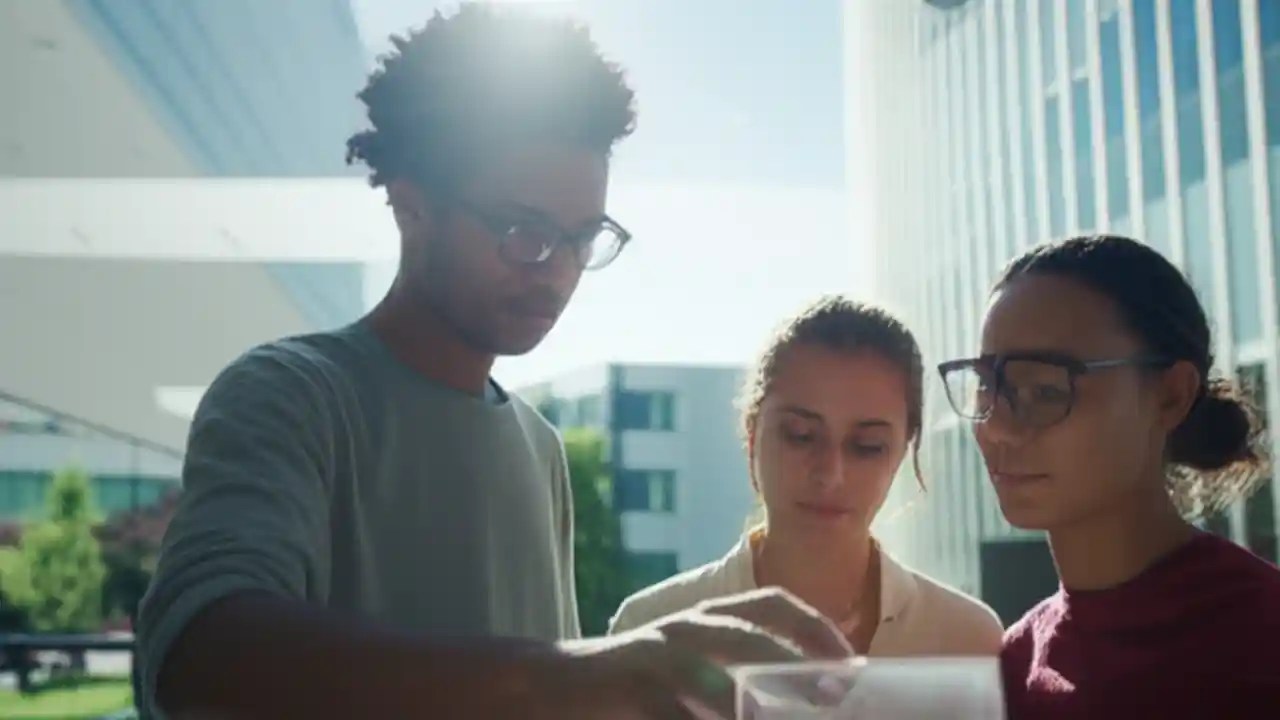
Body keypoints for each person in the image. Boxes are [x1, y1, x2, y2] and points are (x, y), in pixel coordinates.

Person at [135, 6, 852, 719]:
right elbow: (199, 655)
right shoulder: (291, 396)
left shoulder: (539, 446)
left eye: (582, 236)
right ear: (412, 209)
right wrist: (567, 676)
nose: (559, 271)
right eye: (523, 231)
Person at [938, 235, 1280, 719]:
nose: (996, 427)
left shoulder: (1263, 639)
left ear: (1171, 397)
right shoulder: (1012, 668)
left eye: (1045, 388)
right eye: (986, 384)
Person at [610, 296, 1003, 657]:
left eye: (867, 446)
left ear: (903, 451)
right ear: (751, 435)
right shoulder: (655, 629)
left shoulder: (966, 639)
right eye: (799, 436)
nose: (829, 474)